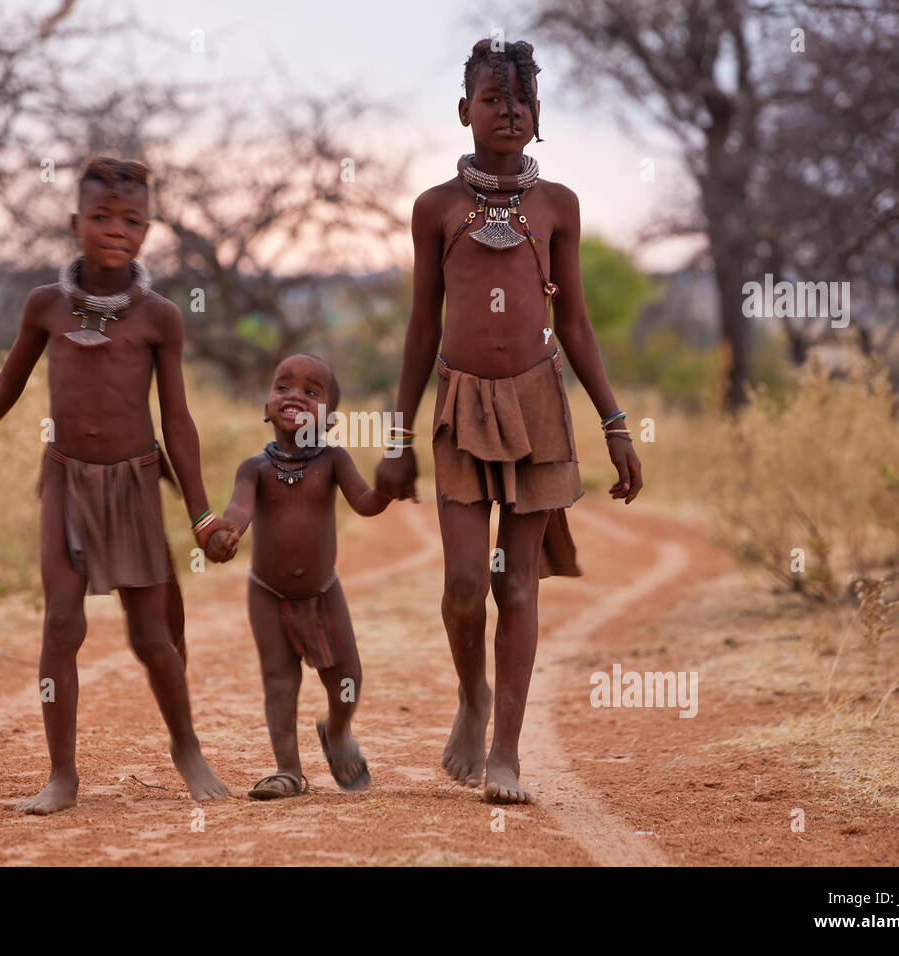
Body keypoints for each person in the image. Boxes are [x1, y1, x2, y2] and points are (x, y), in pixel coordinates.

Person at [0, 157, 234, 812]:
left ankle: (187, 748)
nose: (116, 230)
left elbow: (176, 420)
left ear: (148, 230)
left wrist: (201, 515)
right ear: (74, 223)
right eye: (100, 217)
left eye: (132, 220)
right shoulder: (47, 306)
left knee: (151, 636)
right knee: (62, 622)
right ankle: (62, 774)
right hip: (65, 480)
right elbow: (6, 386)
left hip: (137, 484)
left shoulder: (159, 318)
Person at [374, 39, 644, 804]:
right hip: (461, 406)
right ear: (465, 111)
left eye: (522, 100)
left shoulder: (558, 206)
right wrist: (398, 440)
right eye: (493, 98)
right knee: (466, 582)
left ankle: (506, 755)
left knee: (517, 588)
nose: (509, 110)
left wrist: (616, 423)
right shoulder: (436, 208)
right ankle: (471, 695)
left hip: (537, 407)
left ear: (539, 115)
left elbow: (580, 326)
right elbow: (422, 328)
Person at [207, 354, 390, 798]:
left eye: (312, 392)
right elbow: (238, 509)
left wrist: (389, 484)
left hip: (322, 592)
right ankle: (288, 771)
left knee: (347, 675)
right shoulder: (254, 469)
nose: (294, 396)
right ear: (266, 404)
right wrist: (226, 533)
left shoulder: (334, 460)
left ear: (329, 418)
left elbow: (364, 502)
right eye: (283, 387)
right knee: (279, 680)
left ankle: (340, 731)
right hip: (266, 593)